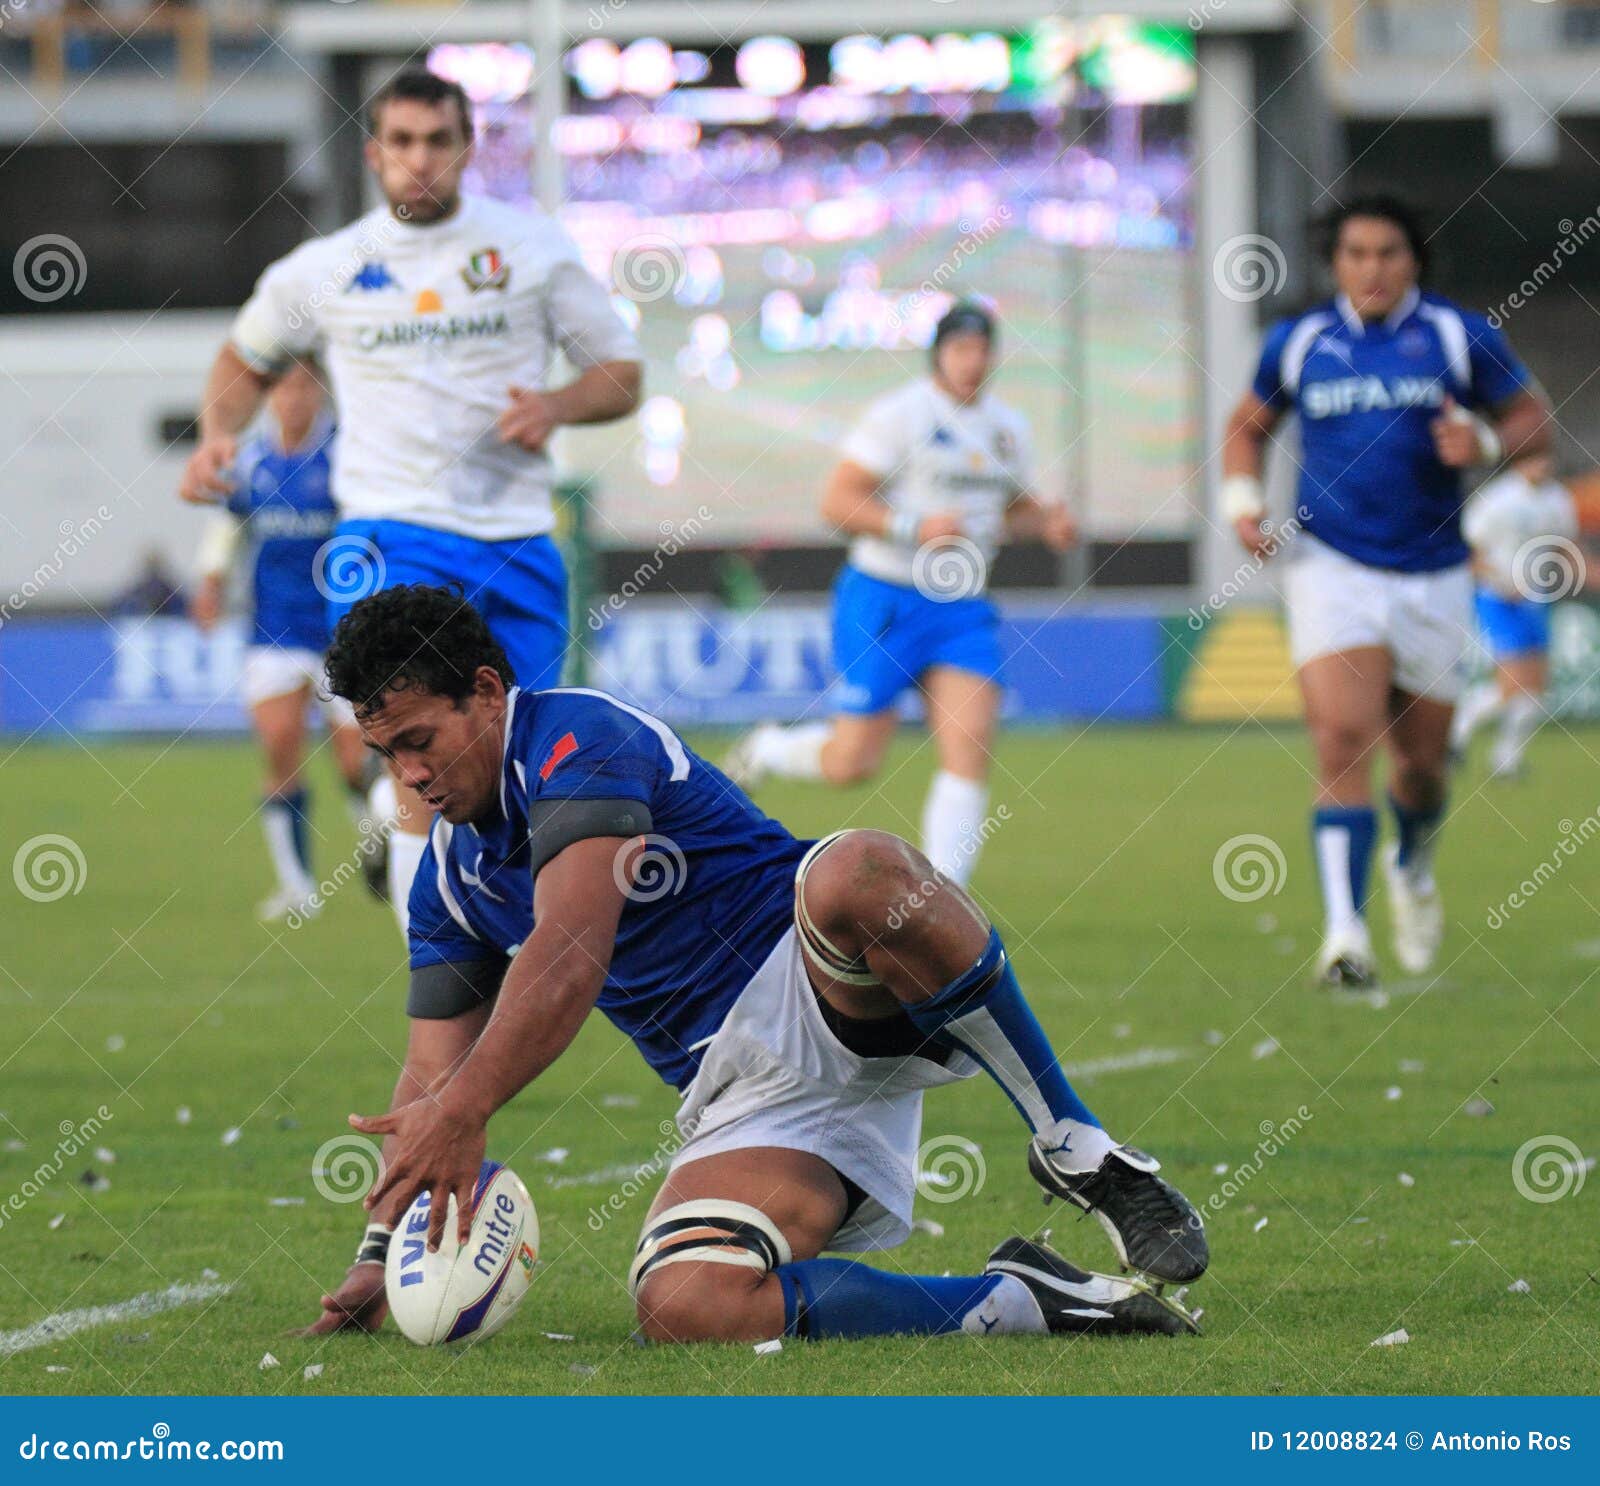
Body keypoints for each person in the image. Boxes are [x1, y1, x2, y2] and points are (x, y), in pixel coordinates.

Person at [302, 584, 1208, 1343]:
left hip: (826, 973)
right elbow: (431, 1072)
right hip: (748, 1096)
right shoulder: (448, 885)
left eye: (418, 740)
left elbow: (571, 947)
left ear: (488, 692)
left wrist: (465, 1109)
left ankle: (1075, 1144)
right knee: (681, 1302)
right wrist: (384, 1253)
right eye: (385, 755)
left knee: (861, 869)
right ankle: (1025, 1301)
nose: (407, 778)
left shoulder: (577, 741)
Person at [178, 65, 642, 935]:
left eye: (437, 141)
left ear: (467, 148)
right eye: (402, 142)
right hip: (389, 538)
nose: (419, 159)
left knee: (517, 775)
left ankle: (474, 937)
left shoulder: (531, 250)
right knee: (417, 758)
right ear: (374, 152)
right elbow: (245, 359)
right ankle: (439, 989)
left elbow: (619, 374)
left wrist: (555, 404)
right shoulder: (327, 267)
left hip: (515, 543)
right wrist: (217, 435)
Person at [1221, 196, 1550, 987]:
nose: (1372, 268)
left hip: (1435, 572)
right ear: (1336, 262)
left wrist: (1482, 441)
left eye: (1389, 253)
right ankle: (1344, 935)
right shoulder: (1299, 341)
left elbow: (1534, 424)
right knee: (1341, 738)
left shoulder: (1456, 335)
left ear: (1414, 261)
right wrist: (1242, 502)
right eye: (1357, 253)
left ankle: (1414, 862)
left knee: (1422, 768)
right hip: (1331, 565)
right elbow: (1246, 428)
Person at [724, 302, 1076, 888]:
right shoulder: (900, 416)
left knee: (969, 750)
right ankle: (768, 748)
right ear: (938, 353)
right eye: (960, 349)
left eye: (981, 350)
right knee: (851, 763)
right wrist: (913, 527)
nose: (972, 362)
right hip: (885, 597)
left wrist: (1046, 522)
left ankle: (944, 900)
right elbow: (837, 502)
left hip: (962, 608)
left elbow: (1008, 509)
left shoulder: (1009, 429)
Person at [189, 363, 379, 922]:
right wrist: (211, 581)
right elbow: (228, 524)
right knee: (278, 746)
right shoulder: (250, 460)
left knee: (357, 760)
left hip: (342, 631)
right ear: (270, 395)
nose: (293, 399)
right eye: (283, 387)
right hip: (273, 630)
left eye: (304, 386)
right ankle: (297, 886)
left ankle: (381, 852)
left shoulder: (347, 455)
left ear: (321, 391)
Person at [1450, 452, 1579, 779]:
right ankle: (1457, 730)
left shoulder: (1557, 498)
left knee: (1535, 689)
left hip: (1536, 597)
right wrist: (1500, 582)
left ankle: (1506, 759)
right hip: (1499, 597)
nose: (1544, 464)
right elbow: (1469, 551)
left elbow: (1564, 547)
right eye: (1536, 457)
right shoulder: (1497, 498)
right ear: (1519, 461)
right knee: (1513, 684)